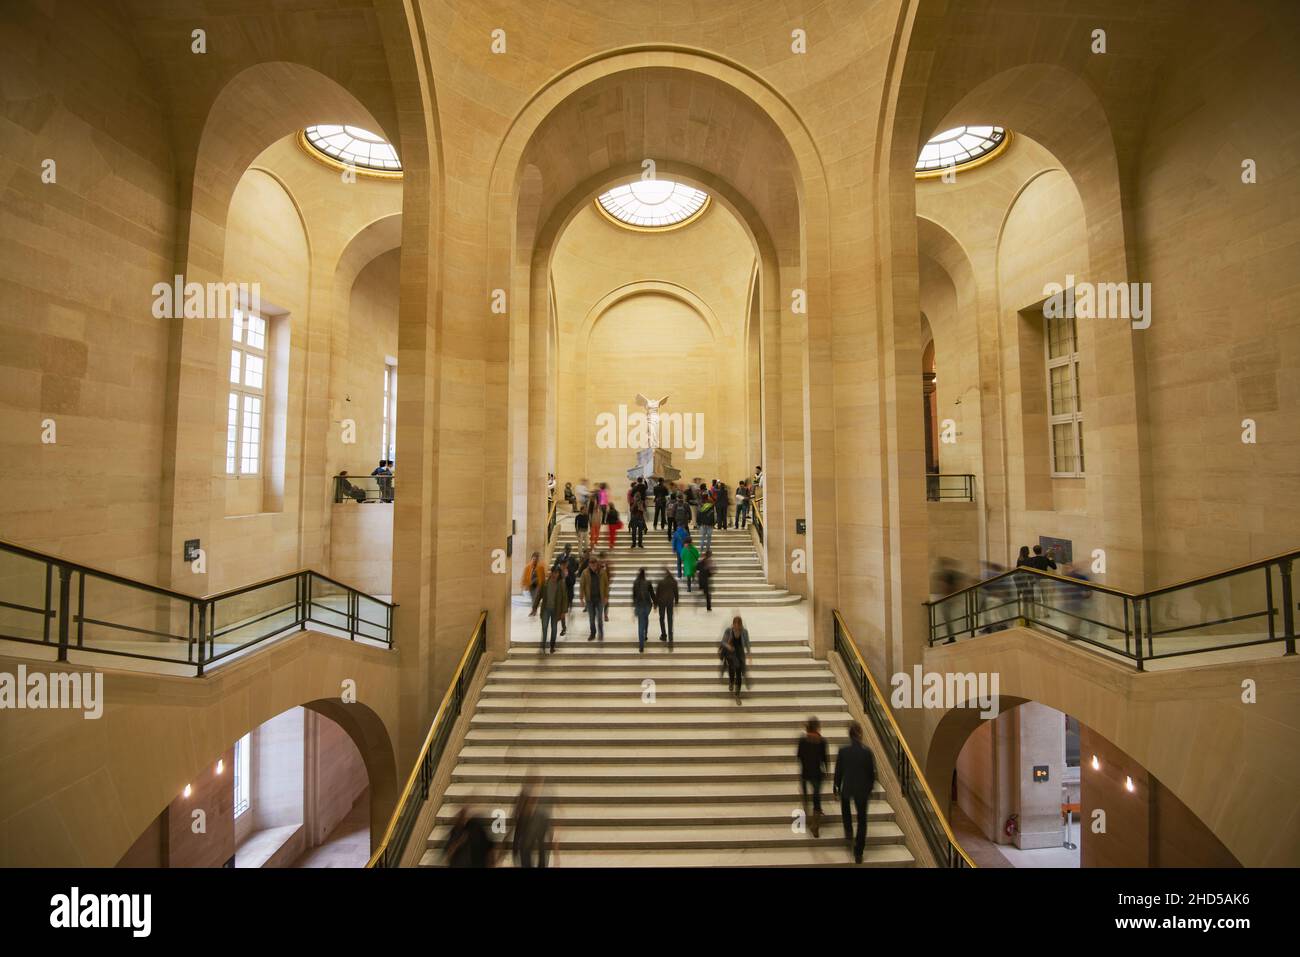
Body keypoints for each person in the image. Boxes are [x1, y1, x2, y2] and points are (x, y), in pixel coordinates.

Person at [833, 722, 876, 864]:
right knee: (862, 820)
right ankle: (858, 852)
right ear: (859, 734)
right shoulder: (867, 752)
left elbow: (839, 771)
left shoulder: (843, 751)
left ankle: (848, 830)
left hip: (848, 787)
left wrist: (836, 786)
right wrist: (869, 788)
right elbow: (871, 773)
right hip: (862, 790)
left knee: (845, 807)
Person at [797, 717, 829, 837]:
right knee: (816, 796)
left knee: (805, 790)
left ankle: (805, 805)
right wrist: (827, 771)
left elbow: (799, 756)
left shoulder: (802, 740)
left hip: (805, 772)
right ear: (817, 727)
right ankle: (815, 825)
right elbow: (825, 759)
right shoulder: (822, 741)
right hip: (817, 774)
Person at [511, 779, 554, 868]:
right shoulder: (523, 817)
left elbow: (546, 837)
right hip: (525, 852)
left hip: (537, 852)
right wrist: (515, 849)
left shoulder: (542, 817)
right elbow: (517, 834)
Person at [536, 565, 569, 654]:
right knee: (544, 627)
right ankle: (542, 646)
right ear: (551, 573)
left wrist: (563, 611)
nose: (554, 575)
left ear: (559, 574)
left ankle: (552, 646)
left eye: (556, 573)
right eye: (553, 572)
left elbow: (565, 598)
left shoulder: (561, 584)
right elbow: (539, 595)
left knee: (554, 628)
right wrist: (534, 607)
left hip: (556, 610)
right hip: (546, 609)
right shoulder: (546, 583)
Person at [719, 616, 751, 701]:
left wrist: (749, 655)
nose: (736, 626)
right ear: (733, 624)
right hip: (731, 656)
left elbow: (747, 643)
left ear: (740, 625)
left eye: (738, 624)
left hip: (740, 656)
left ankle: (737, 694)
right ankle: (731, 682)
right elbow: (722, 642)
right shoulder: (728, 631)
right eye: (735, 624)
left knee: (739, 675)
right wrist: (728, 646)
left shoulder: (744, 632)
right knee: (732, 671)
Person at [580, 557, 605, 641]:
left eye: (594, 565)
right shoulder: (585, 573)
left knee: (600, 618)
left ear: (596, 564)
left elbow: (606, 584)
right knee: (591, 618)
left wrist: (606, 597)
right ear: (589, 565)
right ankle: (593, 633)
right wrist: (581, 597)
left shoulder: (602, 572)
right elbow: (582, 585)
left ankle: (601, 633)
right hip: (589, 599)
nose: (593, 567)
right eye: (591, 565)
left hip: (599, 599)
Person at [632, 568, 654, 653]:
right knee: (645, 618)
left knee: (640, 624)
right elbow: (652, 594)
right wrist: (655, 603)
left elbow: (634, 595)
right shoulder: (648, 583)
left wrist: (634, 605)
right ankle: (645, 634)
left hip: (639, 605)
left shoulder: (635, 583)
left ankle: (641, 645)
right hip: (647, 605)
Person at [655, 567, 679, 645]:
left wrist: (655, 603)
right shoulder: (674, 582)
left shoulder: (661, 582)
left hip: (661, 602)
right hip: (670, 602)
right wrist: (676, 601)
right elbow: (676, 593)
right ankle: (670, 638)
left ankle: (664, 635)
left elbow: (657, 593)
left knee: (662, 618)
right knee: (670, 619)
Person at [522, 550, 544, 616]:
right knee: (533, 599)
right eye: (534, 559)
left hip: (538, 586)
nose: (535, 560)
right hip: (531, 585)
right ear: (532, 558)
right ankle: (534, 610)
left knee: (535, 599)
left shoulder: (540, 567)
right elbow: (525, 576)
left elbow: (542, 577)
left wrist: (541, 585)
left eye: (536, 559)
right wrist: (525, 584)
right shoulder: (528, 567)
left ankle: (533, 611)